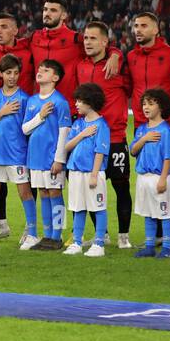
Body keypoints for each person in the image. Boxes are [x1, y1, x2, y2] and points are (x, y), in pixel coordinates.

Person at [73, 21, 132, 246]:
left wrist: (116, 54)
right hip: (89, 139)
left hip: (115, 138)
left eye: (93, 38)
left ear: (105, 42)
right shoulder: (81, 66)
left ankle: (123, 237)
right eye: (86, 38)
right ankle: (102, 234)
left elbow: (131, 87)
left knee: (121, 187)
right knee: (92, 186)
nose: (87, 42)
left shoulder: (118, 67)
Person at [0, 11, 34, 239]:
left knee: (25, 191)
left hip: (17, 150)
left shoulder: (25, 99)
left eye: (4, 27)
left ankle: (31, 230)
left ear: (15, 30)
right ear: (0, 73)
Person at [27, 0, 120, 102]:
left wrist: (115, 55)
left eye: (53, 10)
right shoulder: (34, 38)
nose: (47, 13)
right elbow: (16, 45)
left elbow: (101, 47)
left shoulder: (75, 39)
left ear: (63, 15)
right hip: (41, 108)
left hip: (68, 108)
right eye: (45, 9)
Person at [23, 59, 72, 251]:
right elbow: (25, 129)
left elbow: (64, 131)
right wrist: (41, 116)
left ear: (55, 77)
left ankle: (57, 236)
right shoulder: (32, 101)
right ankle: (47, 235)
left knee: (54, 192)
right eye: (40, 69)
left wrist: (59, 159)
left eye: (46, 70)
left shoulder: (60, 102)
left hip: (52, 159)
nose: (40, 71)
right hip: (35, 157)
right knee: (43, 193)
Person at [62, 82, 111, 257]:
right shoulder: (78, 124)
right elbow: (67, 146)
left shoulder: (102, 126)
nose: (76, 104)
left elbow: (100, 151)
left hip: (92, 174)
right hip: (75, 173)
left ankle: (99, 243)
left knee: (98, 207)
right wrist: (82, 134)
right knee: (78, 207)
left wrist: (94, 175)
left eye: (80, 101)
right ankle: (77, 242)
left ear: (89, 102)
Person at [130, 87, 170, 258]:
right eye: (144, 104)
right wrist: (143, 139)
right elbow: (133, 151)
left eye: (151, 103)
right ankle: (149, 245)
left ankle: (167, 248)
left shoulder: (166, 131)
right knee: (148, 211)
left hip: (159, 177)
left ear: (161, 107)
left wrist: (163, 179)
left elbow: (169, 157)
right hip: (143, 177)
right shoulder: (142, 129)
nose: (146, 107)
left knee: (165, 212)